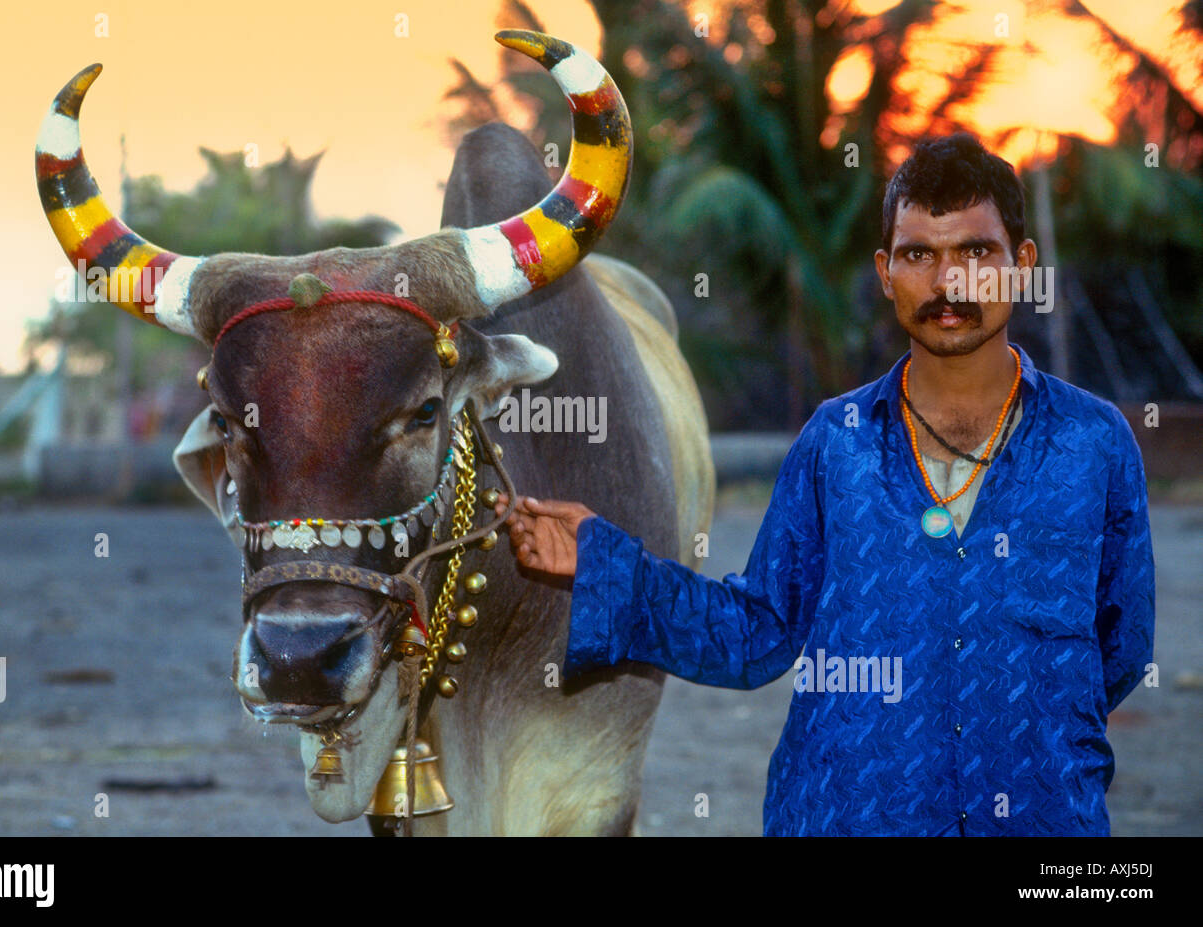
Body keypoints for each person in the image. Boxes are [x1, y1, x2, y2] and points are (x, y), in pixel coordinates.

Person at [493, 133, 1155, 836]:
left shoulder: (1094, 443)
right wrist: (600, 561)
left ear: (1021, 265)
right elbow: (755, 632)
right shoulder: (835, 442)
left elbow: (1120, 650)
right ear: (885, 270)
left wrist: (1020, 725)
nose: (947, 283)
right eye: (919, 254)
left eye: (975, 252)